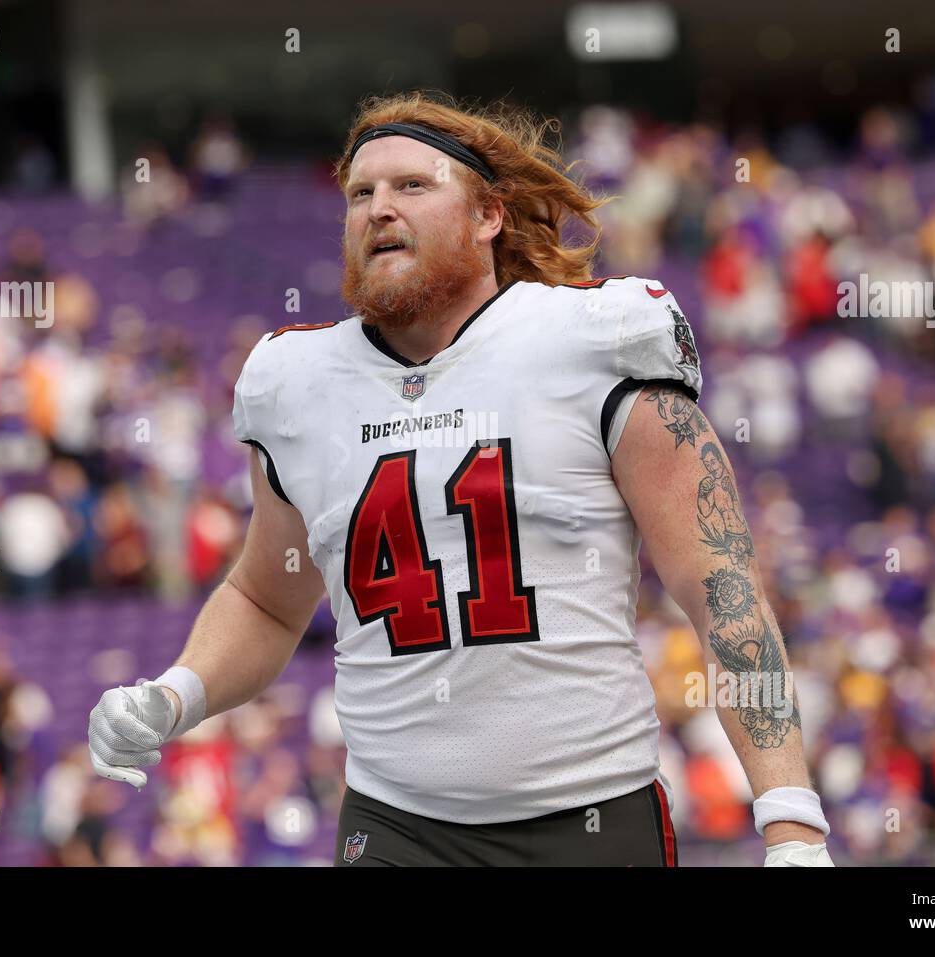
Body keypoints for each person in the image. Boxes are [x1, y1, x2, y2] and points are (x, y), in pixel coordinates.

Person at [88, 92, 833, 867]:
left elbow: (721, 587)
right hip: (396, 829)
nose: (379, 208)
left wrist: (790, 820)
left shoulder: (593, 341)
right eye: (360, 193)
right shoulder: (295, 382)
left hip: (588, 821)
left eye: (413, 185)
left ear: (489, 217)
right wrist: (177, 692)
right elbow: (267, 600)